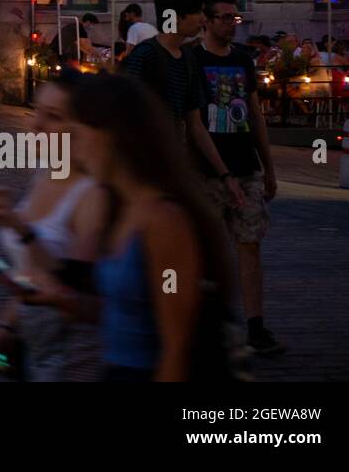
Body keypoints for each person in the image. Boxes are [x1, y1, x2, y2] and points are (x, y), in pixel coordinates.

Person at [32, 73, 238, 382]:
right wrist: (62, 300)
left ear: (111, 136)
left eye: (78, 136)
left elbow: (175, 342)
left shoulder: (164, 222)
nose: (73, 150)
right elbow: (121, 311)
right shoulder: (117, 209)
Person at [0, 74, 106, 381]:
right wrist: (1, 330)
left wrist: (19, 227)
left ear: (83, 128)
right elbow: (31, 276)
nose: (36, 125)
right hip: (35, 344)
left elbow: (72, 283)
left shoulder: (92, 193)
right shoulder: (45, 173)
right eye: (37, 111)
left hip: (74, 355)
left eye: (53, 117)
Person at [195, 0, 284, 357]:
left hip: (246, 167)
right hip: (206, 171)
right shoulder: (191, 59)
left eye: (234, 18)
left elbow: (254, 113)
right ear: (206, 20)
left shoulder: (243, 59)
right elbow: (190, 120)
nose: (232, 24)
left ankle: (255, 325)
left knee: (250, 247)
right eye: (224, 18)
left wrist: (268, 167)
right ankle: (208, 325)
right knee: (207, 253)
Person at [120, 0, 245, 214]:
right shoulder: (145, 56)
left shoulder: (188, 59)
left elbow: (195, 125)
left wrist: (224, 174)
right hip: (143, 168)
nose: (202, 19)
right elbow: (123, 115)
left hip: (172, 165)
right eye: (197, 12)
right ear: (175, 16)